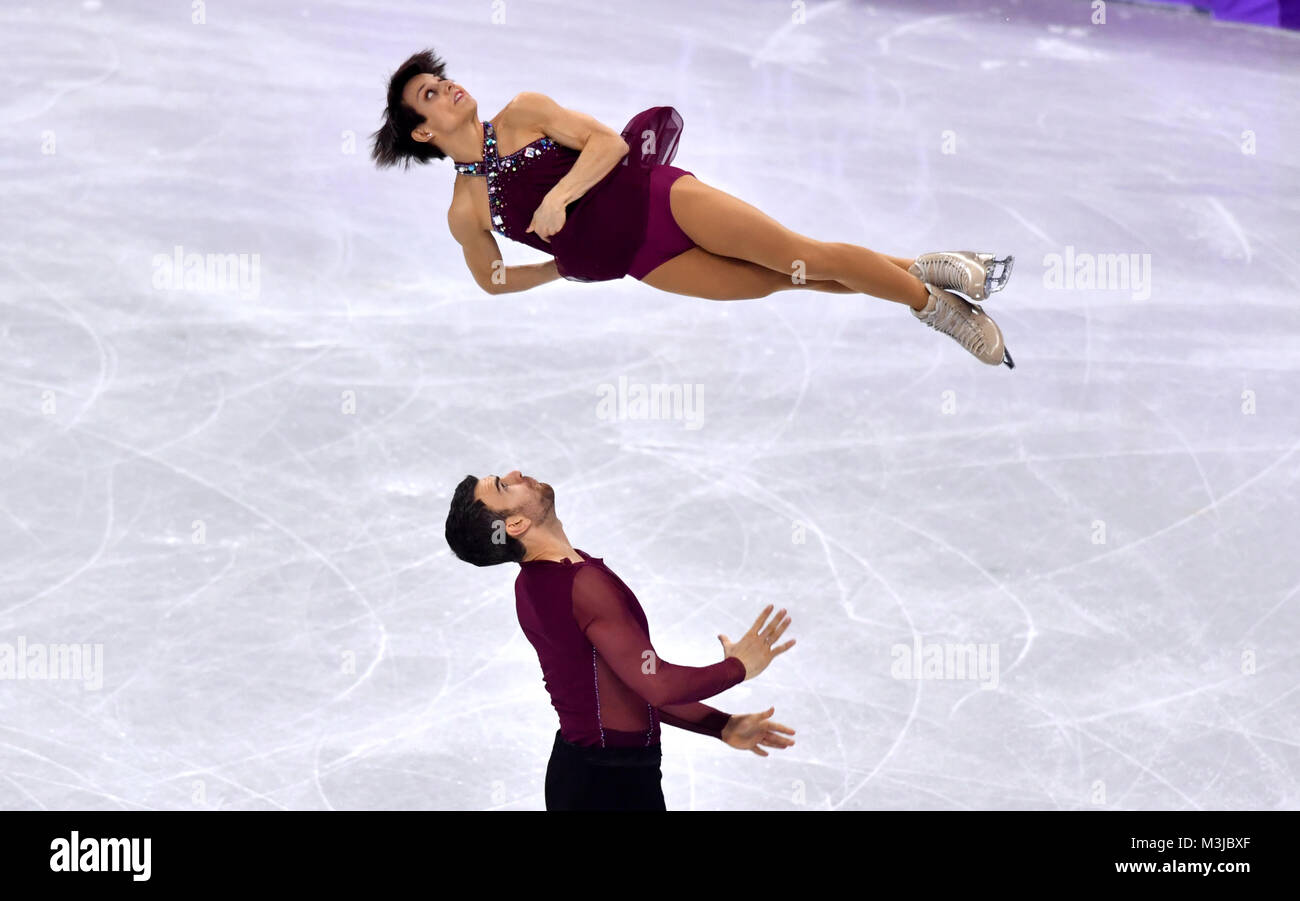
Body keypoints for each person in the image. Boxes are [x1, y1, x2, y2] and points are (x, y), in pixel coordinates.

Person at [371, 49, 1016, 368]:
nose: (450, 86)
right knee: (790, 280)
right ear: (423, 130)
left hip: (663, 203)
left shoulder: (525, 111)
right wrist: (559, 268)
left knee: (804, 254)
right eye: (433, 92)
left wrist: (562, 197)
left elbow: (609, 143)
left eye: (443, 78)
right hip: (645, 261)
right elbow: (491, 278)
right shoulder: (465, 209)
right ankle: (930, 267)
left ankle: (936, 309)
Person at [444, 469, 797, 810]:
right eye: (504, 487)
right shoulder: (580, 585)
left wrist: (721, 724)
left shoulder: (536, 582)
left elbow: (627, 687)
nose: (517, 473)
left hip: (594, 776)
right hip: (609, 787)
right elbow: (657, 684)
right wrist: (739, 667)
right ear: (516, 525)